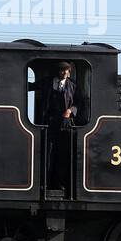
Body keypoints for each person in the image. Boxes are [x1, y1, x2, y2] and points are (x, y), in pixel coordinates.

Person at [45, 62, 80, 191]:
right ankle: (46, 181)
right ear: (58, 71)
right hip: (50, 122)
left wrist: (70, 111)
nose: (64, 73)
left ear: (69, 72)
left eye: (66, 70)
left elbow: (78, 103)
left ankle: (59, 183)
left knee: (62, 154)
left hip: (65, 124)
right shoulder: (48, 83)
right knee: (48, 153)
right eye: (62, 70)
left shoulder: (73, 86)